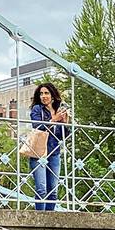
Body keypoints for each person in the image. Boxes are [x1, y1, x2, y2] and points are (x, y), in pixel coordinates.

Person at [28, 82, 69, 211]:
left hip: (54, 152)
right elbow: (37, 127)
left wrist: (65, 123)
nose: (43, 96)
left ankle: (50, 217)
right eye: (41, 94)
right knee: (41, 189)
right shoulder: (37, 109)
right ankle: (40, 217)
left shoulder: (59, 111)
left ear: (52, 95)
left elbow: (64, 136)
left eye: (46, 93)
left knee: (53, 190)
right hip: (38, 151)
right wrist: (53, 120)